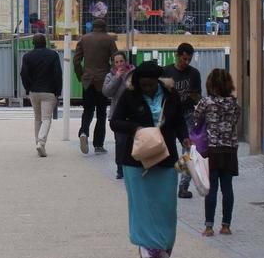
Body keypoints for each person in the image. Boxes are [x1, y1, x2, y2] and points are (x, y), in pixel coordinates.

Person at [110, 60, 189, 258]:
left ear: (158, 81)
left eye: (151, 85)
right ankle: (148, 249)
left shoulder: (171, 95)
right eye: (144, 85)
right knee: (142, 207)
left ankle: (164, 245)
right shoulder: (130, 95)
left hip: (166, 159)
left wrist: (185, 138)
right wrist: (135, 128)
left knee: (166, 207)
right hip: (136, 162)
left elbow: (179, 121)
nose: (148, 89)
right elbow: (115, 122)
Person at [193, 67, 241, 237]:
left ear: (210, 84)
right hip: (230, 149)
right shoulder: (234, 103)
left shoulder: (205, 102)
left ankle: (209, 227)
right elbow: (235, 121)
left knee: (211, 188)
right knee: (227, 188)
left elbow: (196, 120)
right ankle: (226, 226)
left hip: (212, 150)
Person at [160, 42, 202, 199]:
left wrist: (193, 96)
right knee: (167, 147)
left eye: (189, 59)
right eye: (184, 59)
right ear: (177, 56)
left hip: (188, 113)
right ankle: (168, 180)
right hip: (169, 115)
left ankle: (183, 186)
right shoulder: (167, 71)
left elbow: (198, 96)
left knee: (190, 150)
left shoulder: (194, 73)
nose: (186, 62)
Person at [73, 18, 118, 155]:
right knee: (101, 113)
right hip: (103, 81)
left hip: (88, 80)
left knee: (87, 110)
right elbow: (115, 60)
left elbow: (76, 61)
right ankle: (98, 144)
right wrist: (112, 74)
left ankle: (83, 132)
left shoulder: (84, 39)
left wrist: (81, 75)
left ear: (93, 27)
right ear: (104, 27)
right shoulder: (109, 40)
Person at [19, 34, 62, 157]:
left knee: (37, 118)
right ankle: (41, 142)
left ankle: (38, 142)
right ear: (45, 42)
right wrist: (58, 91)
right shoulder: (53, 55)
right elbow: (58, 74)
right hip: (49, 92)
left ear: (33, 43)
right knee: (46, 119)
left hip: (34, 91)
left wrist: (28, 88)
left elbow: (23, 74)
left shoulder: (27, 56)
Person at [102, 50, 136, 179]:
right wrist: (116, 77)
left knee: (132, 142)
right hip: (117, 115)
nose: (119, 64)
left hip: (132, 114)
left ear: (126, 62)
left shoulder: (133, 73)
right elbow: (106, 92)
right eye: (116, 62)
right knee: (120, 142)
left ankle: (132, 167)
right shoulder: (110, 76)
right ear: (113, 64)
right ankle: (120, 168)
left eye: (121, 61)